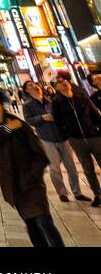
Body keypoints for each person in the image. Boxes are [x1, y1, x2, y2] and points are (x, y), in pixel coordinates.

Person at [0, 85, 64, 246]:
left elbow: (39, 153)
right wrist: (7, 128)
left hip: (31, 182)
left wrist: (33, 175)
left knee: (44, 221)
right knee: (31, 223)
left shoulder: (17, 122)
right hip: (12, 183)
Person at [24, 80, 90, 203]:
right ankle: (62, 193)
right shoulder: (27, 105)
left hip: (62, 137)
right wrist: (43, 117)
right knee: (54, 168)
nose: (34, 86)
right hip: (46, 138)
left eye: (35, 84)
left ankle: (77, 192)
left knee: (71, 166)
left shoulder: (52, 101)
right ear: (26, 91)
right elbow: (29, 121)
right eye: (30, 86)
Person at [51, 76, 101, 206]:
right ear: (56, 88)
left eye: (65, 81)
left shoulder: (82, 97)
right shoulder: (57, 102)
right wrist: (67, 136)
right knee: (88, 169)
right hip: (76, 140)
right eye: (60, 83)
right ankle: (98, 194)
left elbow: (95, 114)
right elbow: (58, 122)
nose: (64, 83)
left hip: (93, 136)